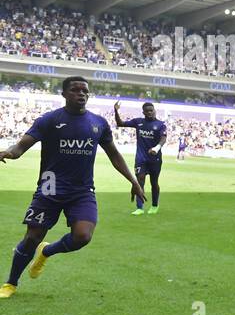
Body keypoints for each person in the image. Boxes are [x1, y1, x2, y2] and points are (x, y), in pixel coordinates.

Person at [0, 76, 145, 299]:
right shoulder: (49, 120)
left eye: (85, 91)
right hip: (50, 186)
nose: (81, 94)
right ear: (64, 94)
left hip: (82, 190)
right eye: (76, 90)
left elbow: (114, 154)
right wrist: (9, 152)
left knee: (82, 237)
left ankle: (47, 252)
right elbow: (20, 146)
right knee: (32, 237)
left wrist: (134, 181)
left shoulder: (98, 123)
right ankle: (11, 283)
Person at [113, 100, 167, 214]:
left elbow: (163, 139)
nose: (149, 113)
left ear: (155, 111)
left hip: (155, 159)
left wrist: (156, 148)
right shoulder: (138, 122)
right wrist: (116, 111)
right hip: (141, 159)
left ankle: (154, 205)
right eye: (147, 111)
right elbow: (120, 124)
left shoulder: (160, 125)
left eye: (151, 110)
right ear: (143, 112)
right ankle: (139, 208)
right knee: (139, 181)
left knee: (154, 183)